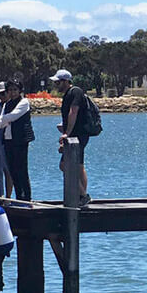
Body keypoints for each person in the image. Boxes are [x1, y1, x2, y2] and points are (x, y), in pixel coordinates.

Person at [50, 68, 91, 207]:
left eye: (58, 82)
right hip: (75, 135)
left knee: (64, 165)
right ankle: (81, 197)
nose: (56, 85)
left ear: (66, 81)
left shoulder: (75, 92)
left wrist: (66, 133)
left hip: (77, 136)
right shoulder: (68, 94)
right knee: (79, 167)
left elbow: (73, 113)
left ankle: (83, 195)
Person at [0, 79, 35, 201]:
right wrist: (6, 119)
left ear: (20, 91)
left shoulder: (24, 102)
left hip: (21, 140)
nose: (12, 93)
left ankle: (27, 198)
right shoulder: (6, 104)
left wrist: (6, 119)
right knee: (12, 170)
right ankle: (19, 197)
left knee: (22, 169)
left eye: (15, 90)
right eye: (10, 90)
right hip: (8, 140)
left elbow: (13, 116)